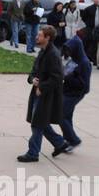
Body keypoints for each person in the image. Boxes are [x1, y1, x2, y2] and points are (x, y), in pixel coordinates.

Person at [19, 25, 69, 162]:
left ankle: (33, 153)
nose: (37, 37)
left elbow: (58, 77)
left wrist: (42, 86)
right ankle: (59, 143)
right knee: (41, 122)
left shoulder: (53, 54)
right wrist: (31, 79)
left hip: (46, 95)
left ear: (47, 38)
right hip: (38, 92)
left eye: (40, 35)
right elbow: (34, 70)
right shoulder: (43, 51)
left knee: (37, 123)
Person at [58, 36, 91, 150]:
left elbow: (84, 84)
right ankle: (68, 140)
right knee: (67, 116)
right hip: (67, 91)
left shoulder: (84, 63)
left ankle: (74, 140)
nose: (68, 52)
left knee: (60, 116)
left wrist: (67, 77)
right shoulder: (73, 60)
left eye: (70, 50)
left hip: (75, 94)